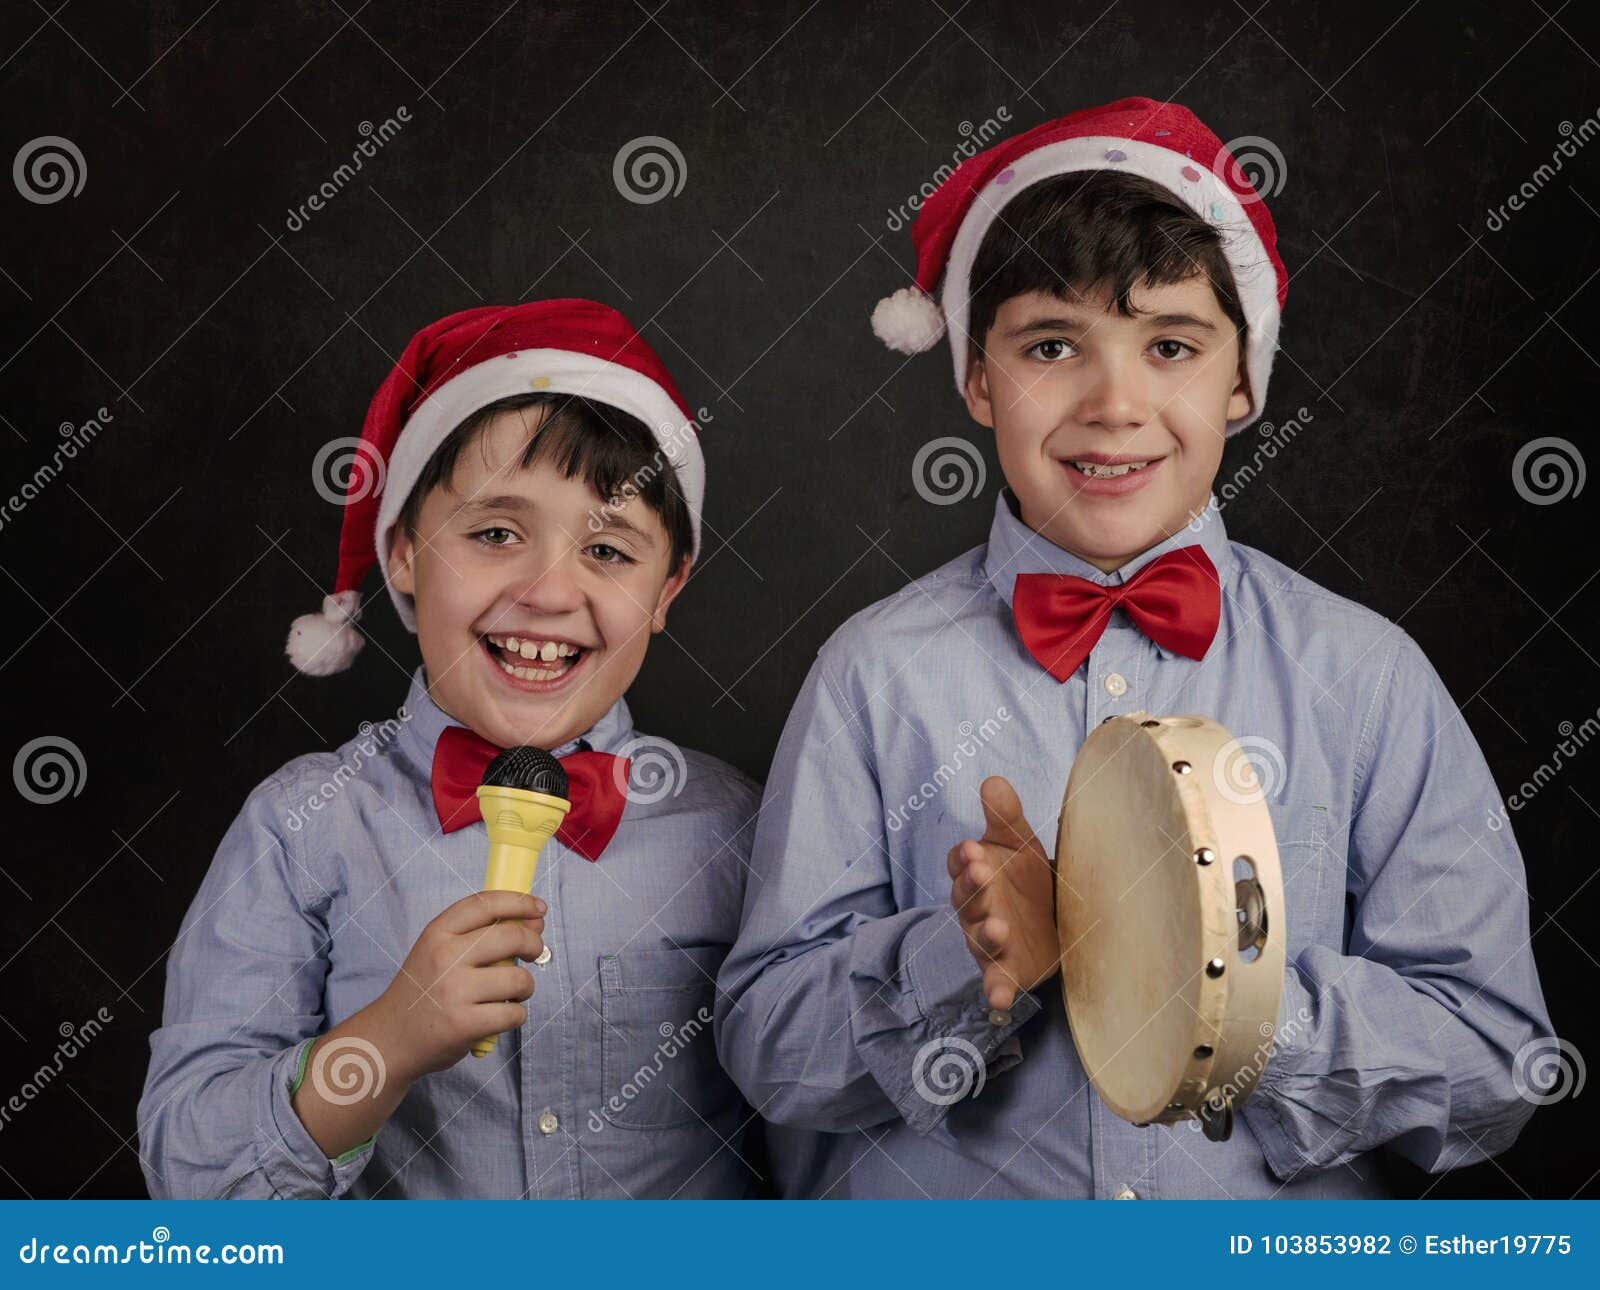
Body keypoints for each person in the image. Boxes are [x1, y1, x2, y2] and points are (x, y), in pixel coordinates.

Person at [715, 98, 1555, 1199]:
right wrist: (956, 960)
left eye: (1170, 346)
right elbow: (765, 1049)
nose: (1115, 405)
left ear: (1243, 380)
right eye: (1051, 346)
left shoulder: (1365, 675)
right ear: (975, 378)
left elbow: (1498, 1065)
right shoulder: (876, 673)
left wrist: (1225, 1003)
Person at [139, 300, 760, 1198]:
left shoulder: (737, 827)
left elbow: (817, 1130)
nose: (549, 592)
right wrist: (383, 1043)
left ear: (668, 588)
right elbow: (191, 1182)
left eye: (609, 549)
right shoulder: (301, 828)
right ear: (403, 552)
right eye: (495, 533)